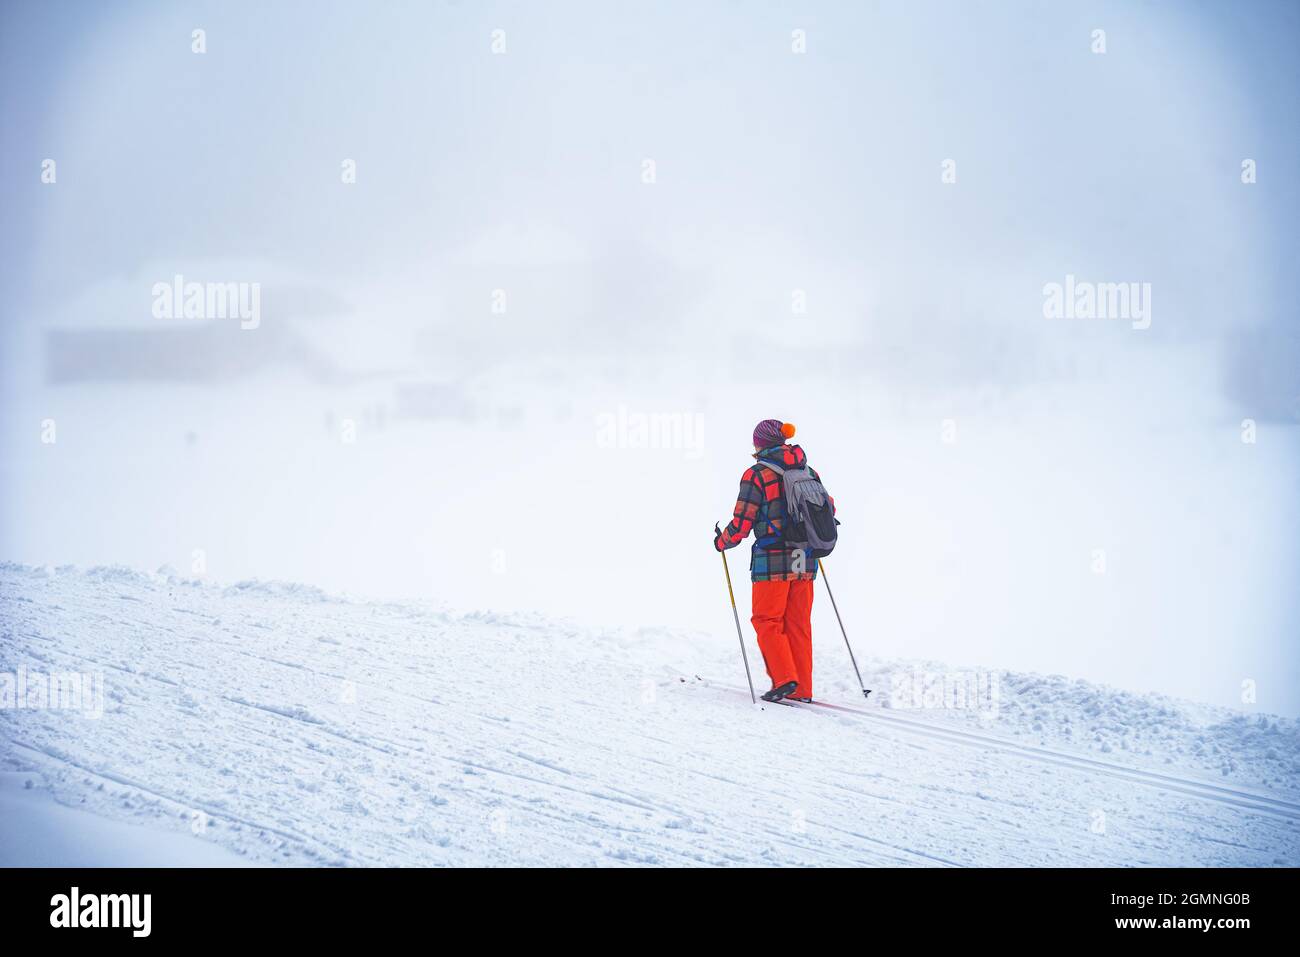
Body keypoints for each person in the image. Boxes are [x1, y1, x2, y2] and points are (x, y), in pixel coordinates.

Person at [713, 419, 833, 702]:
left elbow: (743, 522)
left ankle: (784, 680)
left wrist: (722, 542)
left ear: (761, 444)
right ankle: (802, 688)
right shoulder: (808, 471)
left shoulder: (757, 475)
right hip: (805, 560)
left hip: (772, 561)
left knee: (767, 620)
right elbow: (829, 508)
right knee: (798, 623)